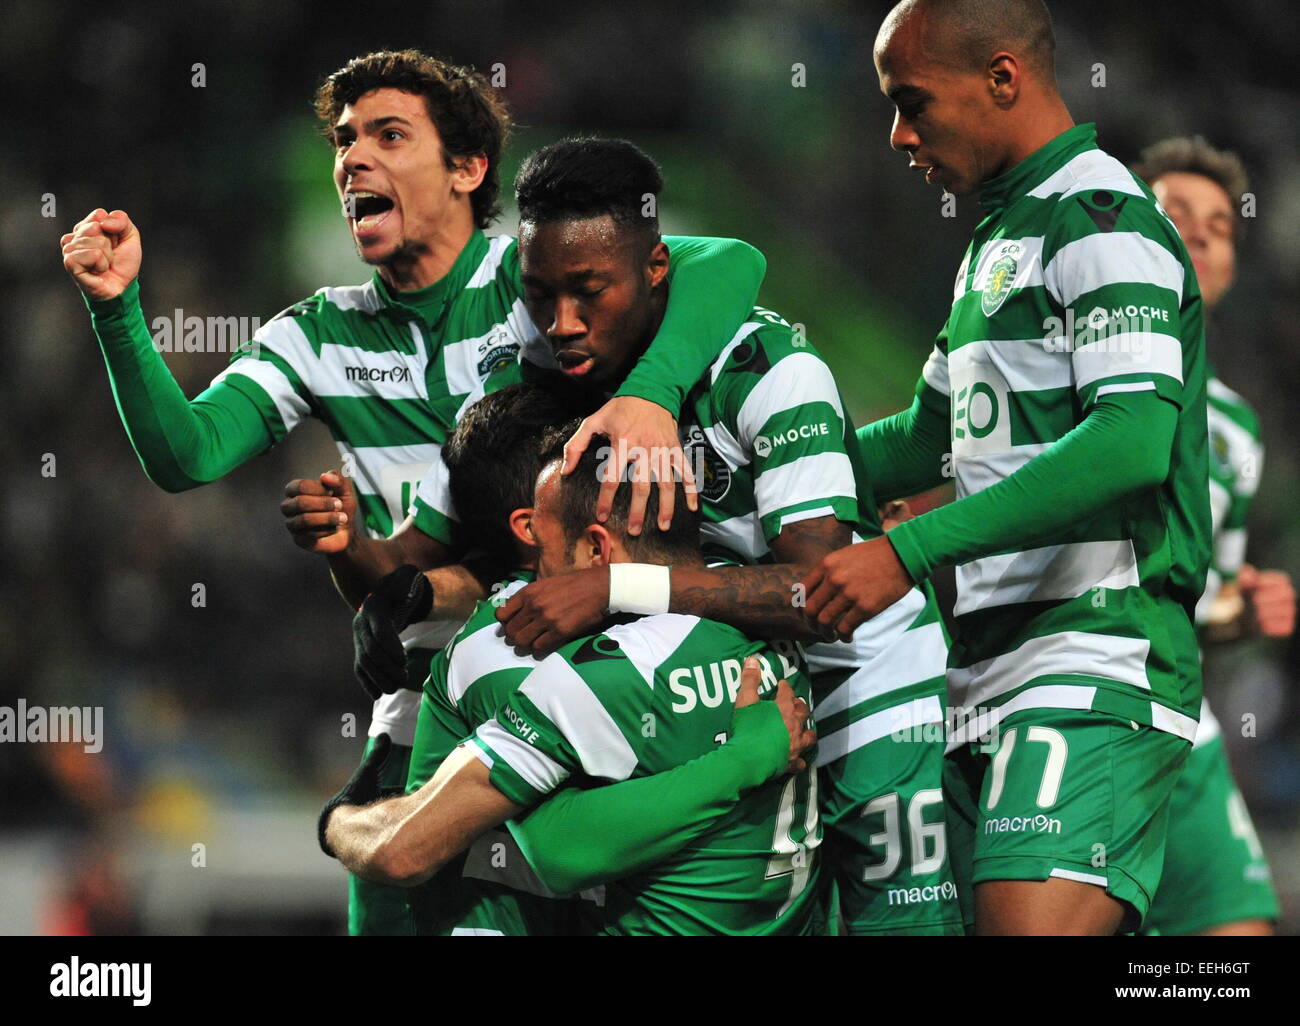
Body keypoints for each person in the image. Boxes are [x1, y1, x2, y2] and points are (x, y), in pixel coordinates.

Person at [59, 49, 768, 935]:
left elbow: (731, 261)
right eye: (344, 140)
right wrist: (118, 312)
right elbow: (188, 455)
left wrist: (651, 397)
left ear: (467, 169)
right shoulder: (318, 334)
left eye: (389, 136)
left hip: (581, 680)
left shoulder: (536, 280)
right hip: (427, 700)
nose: (354, 158)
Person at [301, 137, 960, 934]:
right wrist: (398, 590)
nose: (562, 322)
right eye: (539, 294)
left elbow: (819, 595)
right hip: (704, 669)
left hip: (856, 673)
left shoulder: (772, 375)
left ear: (655, 270)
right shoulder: (545, 367)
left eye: (588, 292)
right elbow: (485, 553)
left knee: (896, 924)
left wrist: (617, 586)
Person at [807, 0, 1211, 934]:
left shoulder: (1101, 218)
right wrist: (763, 471)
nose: (899, 135)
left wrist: (907, 552)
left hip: (1095, 651)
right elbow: (926, 439)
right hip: (985, 668)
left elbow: (1130, 440)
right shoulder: (998, 240)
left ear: (1001, 77)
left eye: (912, 101)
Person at [322, 443, 823, 935]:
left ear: (596, 548)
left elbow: (416, 852)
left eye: (540, 552)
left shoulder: (582, 674)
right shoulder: (767, 614)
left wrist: (337, 822)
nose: (532, 581)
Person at [1132, 135, 1294, 936]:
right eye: (1176, 213)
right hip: (1065, 702)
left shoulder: (1236, 430)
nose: (1199, 232)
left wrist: (1241, 612)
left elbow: (1203, 605)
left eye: (1220, 225)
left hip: (1180, 723)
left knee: (1235, 939)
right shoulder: (1052, 369)